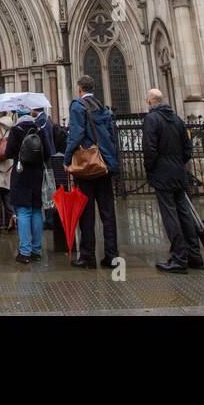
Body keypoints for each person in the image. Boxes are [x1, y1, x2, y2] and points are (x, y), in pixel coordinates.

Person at [143, 88, 204, 273]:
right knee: (184, 213)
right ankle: (195, 255)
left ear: (151, 102)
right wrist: (178, 163)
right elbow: (187, 148)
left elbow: (149, 148)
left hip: (162, 173)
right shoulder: (177, 119)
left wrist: (151, 167)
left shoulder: (152, 119)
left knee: (170, 215)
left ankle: (179, 257)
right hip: (178, 171)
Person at [63, 75, 120, 269]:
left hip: (88, 167)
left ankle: (87, 256)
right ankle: (112, 255)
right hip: (104, 165)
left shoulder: (78, 107)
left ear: (79, 89)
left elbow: (76, 133)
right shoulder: (103, 108)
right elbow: (112, 137)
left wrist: (67, 158)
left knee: (86, 213)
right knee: (108, 213)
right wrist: (113, 161)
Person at [5, 105, 47, 263]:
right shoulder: (40, 130)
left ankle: (25, 252)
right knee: (36, 210)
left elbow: (8, 152)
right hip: (37, 174)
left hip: (21, 173)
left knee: (23, 211)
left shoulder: (16, 130)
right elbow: (48, 152)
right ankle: (36, 250)